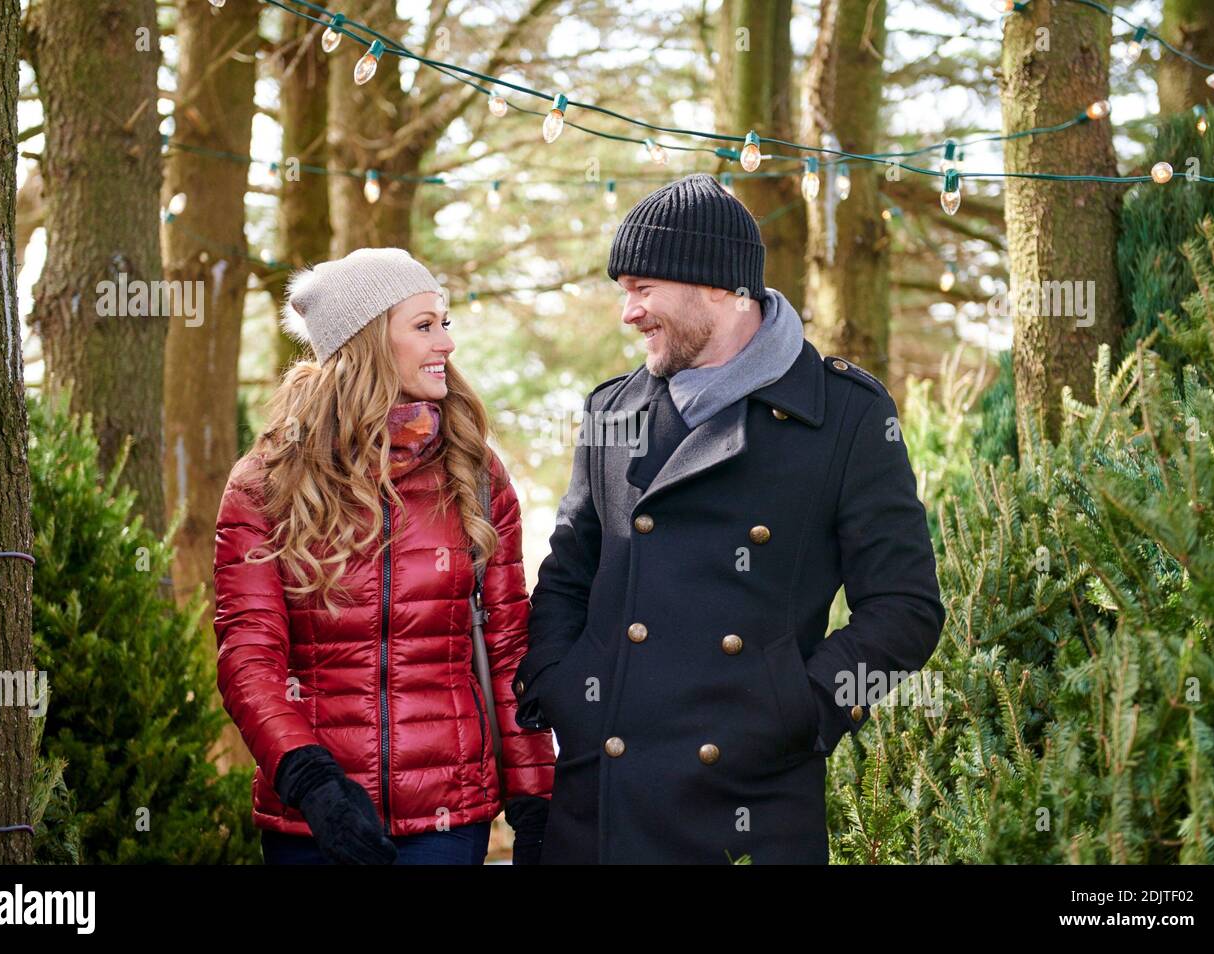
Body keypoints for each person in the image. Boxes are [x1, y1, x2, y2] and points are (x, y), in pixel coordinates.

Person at [512, 174, 946, 864]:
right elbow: (568, 574)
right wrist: (561, 685)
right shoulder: (611, 410)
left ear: (717, 285)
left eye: (643, 288)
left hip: (749, 802)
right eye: (623, 290)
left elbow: (905, 608)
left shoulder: (846, 415)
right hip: (602, 802)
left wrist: (798, 709)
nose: (628, 313)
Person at [213, 247, 554, 865]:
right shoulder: (267, 482)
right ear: (367, 342)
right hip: (316, 821)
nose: (447, 342)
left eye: (444, 322)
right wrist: (308, 778)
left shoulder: (474, 474)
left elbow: (508, 649)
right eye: (424, 325)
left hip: (448, 820)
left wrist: (536, 799)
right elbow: (249, 656)